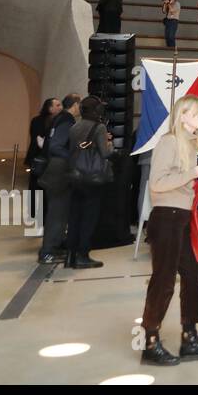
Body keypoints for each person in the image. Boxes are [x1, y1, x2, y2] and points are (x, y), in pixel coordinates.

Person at [138, 94, 198, 366]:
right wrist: (193, 172)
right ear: (183, 115)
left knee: (194, 276)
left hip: (183, 217)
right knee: (163, 280)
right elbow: (158, 183)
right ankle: (150, 341)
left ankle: (190, 337)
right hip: (167, 218)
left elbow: (183, 181)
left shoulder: (191, 141)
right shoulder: (170, 141)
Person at [65, 95, 114, 269]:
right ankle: (82, 255)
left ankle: (70, 254)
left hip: (75, 177)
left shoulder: (75, 126)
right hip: (92, 178)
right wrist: (110, 143)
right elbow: (105, 153)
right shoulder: (99, 127)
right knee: (89, 218)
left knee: (74, 216)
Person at [38, 93, 81, 264]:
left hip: (55, 171)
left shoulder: (58, 119)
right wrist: (72, 156)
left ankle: (56, 245)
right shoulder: (67, 121)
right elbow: (56, 146)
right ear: (75, 105)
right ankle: (47, 251)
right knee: (57, 213)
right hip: (58, 172)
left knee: (61, 213)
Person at [26, 97, 61, 222]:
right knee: (38, 186)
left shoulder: (52, 120)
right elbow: (38, 139)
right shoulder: (42, 121)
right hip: (40, 158)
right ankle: (37, 213)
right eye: (57, 105)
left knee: (37, 186)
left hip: (40, 157)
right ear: (50, 108)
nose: (60, 107)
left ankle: (36, 213)